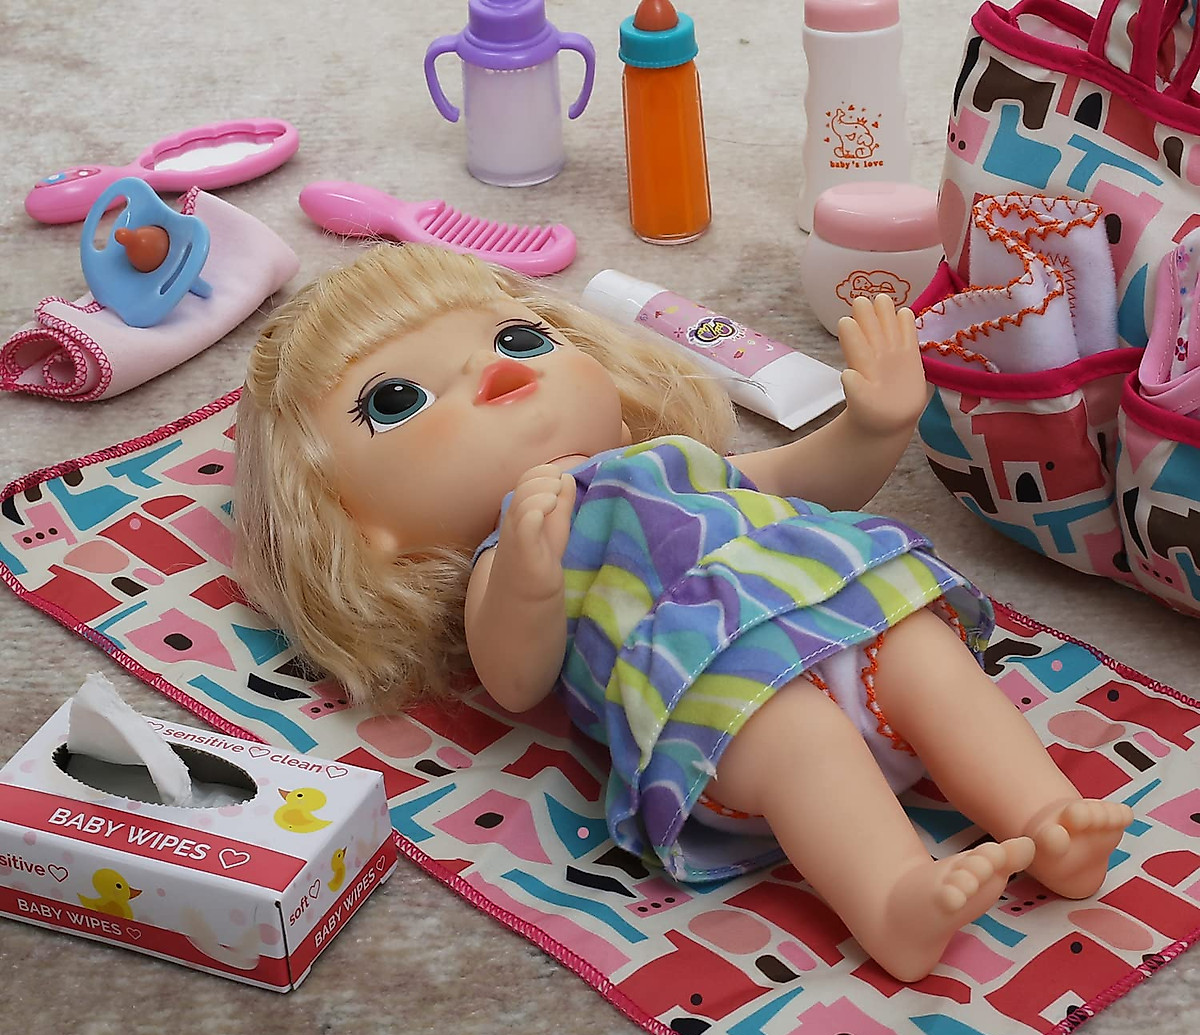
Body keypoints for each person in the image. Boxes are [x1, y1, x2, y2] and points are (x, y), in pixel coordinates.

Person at [234, 243, 1130, 981]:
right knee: (790, 730)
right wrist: (529, 577)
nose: (495, 370)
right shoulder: (509, 551)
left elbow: (810, 482)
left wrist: (875, 425)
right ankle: (892, 898)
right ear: (364, 525)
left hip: (852, 626)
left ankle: (1046, 817)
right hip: (721, 708)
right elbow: (514, 679)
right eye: (398, 400)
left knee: (926, 649)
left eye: (519, 336)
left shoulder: (676, 463)